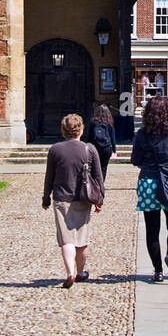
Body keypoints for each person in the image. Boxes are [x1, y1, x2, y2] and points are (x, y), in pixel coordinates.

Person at [131, 95, 168, 281]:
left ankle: (157, 271)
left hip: (148, 182)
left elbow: (135, 160)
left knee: (152, 228)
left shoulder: (141, 134)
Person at [42, 113, 104, 288]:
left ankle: (69, 272)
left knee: (66, 238)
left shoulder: (55, 149)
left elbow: (49, 177)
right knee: (81, 239)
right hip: (83, 198)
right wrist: (100, 199)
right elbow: (98, 177)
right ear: (81, 129)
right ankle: (80, 272)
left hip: (62, 198)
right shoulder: (89, 149)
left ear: (63, 130)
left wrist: (46, 198)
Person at [86, 102, 117, 179]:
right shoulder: (109, 123)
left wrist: (87, 146)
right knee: (104, 167)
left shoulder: (93, 122)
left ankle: (95, 182)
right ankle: (101, 183)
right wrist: (114, 150)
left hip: (95, 147)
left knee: (95, 166)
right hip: (106, 148)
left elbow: (89, 136)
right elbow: (113, 137)